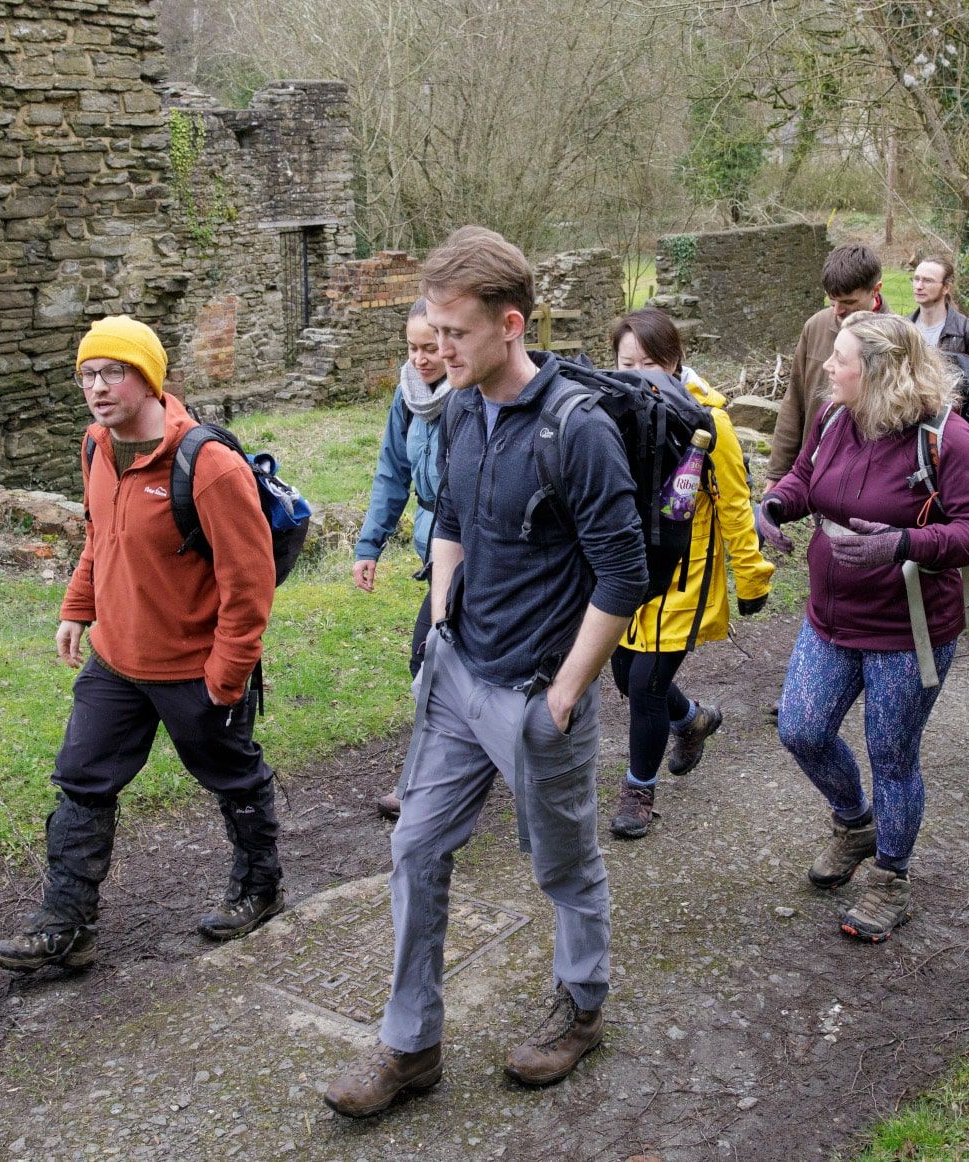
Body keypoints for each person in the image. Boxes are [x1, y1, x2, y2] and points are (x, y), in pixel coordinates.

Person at [325, 227, 646, 1117]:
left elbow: (623, 576)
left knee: (563, 866)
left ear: (511, 325)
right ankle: (410, 1046)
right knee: (415, 847)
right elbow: (452, 519)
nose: (439, 351)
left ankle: (581, 1006)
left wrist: (566, 694)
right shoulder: (461, 407)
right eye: (432, 330)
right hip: (458, 677)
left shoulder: (578, 431)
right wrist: (441, 625)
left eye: (455, 333)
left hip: (538, 693)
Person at [0, 315, 283, 974]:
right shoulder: (96, 446)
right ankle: (66, 926)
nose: (97, 387)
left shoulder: (207, 465)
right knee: (81, 782)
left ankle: (260, 888)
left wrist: (229, 671)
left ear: (147, 378)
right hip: (116, 660)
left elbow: (249, 579)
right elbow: (101, 535)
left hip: (194, 667)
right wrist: (78, 607)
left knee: (232, 776)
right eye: (87, 374)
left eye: (113, 372)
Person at [756, 312, 969, 940]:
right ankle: (853, 822)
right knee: (801, 729)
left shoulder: (948, 439)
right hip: (829, 617)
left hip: (908, 630)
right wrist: (777, 503)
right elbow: (806, 477)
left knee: (892, 755)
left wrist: (902, 544)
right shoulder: (834, 417)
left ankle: (891, 877)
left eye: (840, 359)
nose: (827, 367)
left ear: (881, 373)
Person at [604, 308, 775, 840]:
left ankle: (639, 790)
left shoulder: (710, 423)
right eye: (627, 364)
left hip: (685, 576)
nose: (639, 375)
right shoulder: (610, 411)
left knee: (645, 685)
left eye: (650, 363)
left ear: (675, 361)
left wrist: (752, 576)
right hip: (627, 570)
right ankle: (693, 719)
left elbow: (735, 506)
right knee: (623, 675)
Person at [352, 299, 451, 819]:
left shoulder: (473, 393)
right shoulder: (408, 394)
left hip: (478, 550)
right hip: (434, 550)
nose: (420, 359)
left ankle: (425, 780)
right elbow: (392, 471)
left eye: (430, 347)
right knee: (438, 662)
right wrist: (370, 545)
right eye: (412, 348)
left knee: (430, 661)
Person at [765, 244, 889, 493]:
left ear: (875, 290)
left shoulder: (896, 339)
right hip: (813, 471)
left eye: (848, 302)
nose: (837, 310)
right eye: (832, 300)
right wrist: (777, 473)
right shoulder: (815, 326)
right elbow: (794, 402)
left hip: (868, 482)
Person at [906, 255, 969, 379]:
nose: (918, 286)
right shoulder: (904, 328)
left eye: (928, 281)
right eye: (916, 279)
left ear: (946, 288)